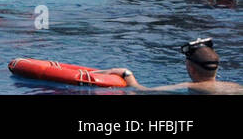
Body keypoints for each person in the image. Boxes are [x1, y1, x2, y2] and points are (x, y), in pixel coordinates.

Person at [104, 39, 243, 94]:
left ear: (191, 68)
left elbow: (144, 91)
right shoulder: (235, 87)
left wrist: (126, 73)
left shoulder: (192, 86)